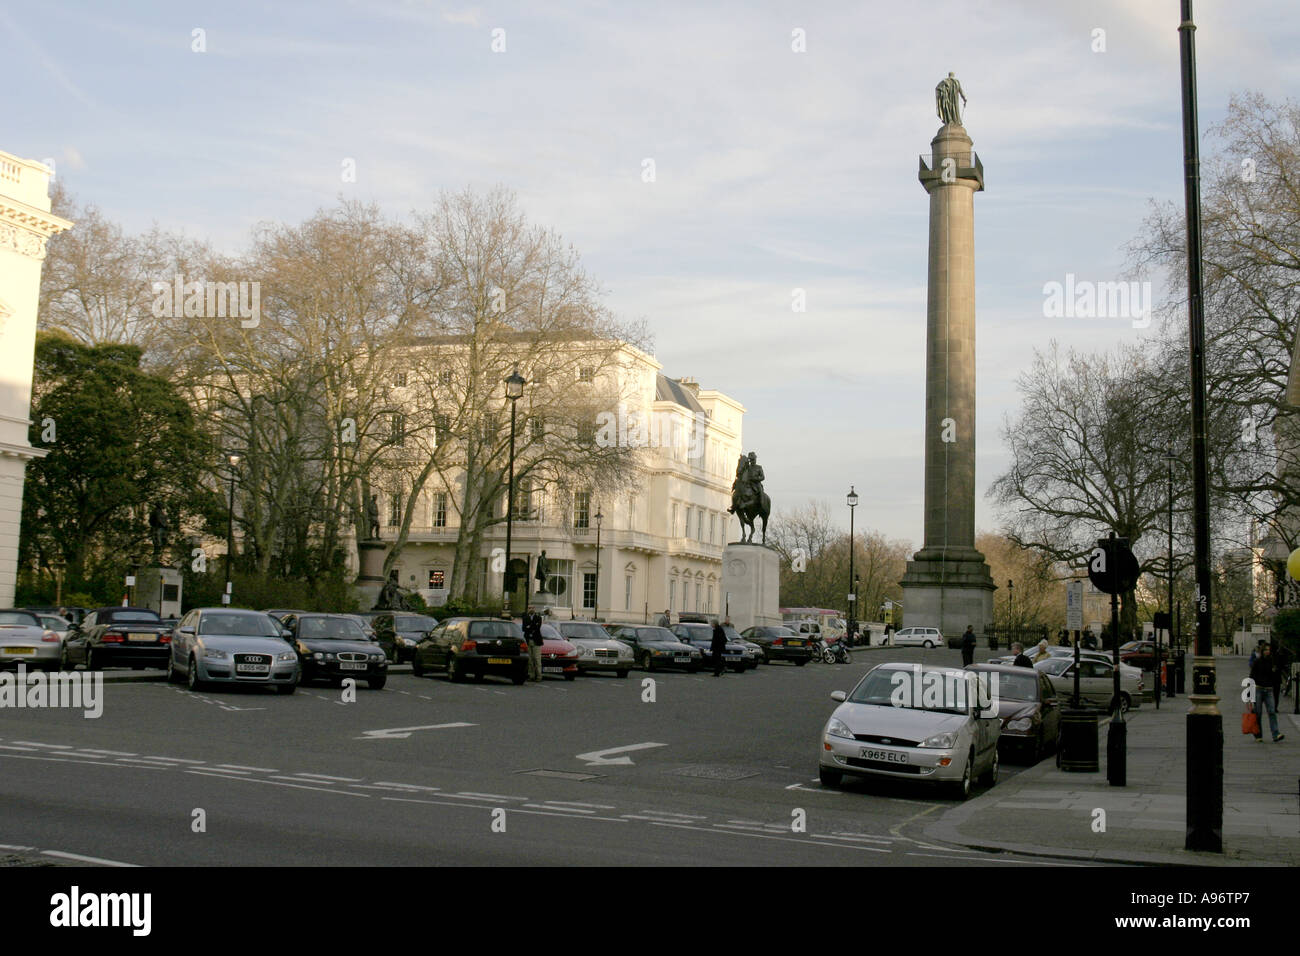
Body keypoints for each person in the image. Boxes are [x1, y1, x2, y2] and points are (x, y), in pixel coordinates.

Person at [1250, 642, 1285, 742]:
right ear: (1262, 651)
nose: (1267, 652)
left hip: (1269, 689)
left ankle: (1276, 734)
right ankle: (1258, 735)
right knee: (1258, 713)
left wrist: (1274, 671)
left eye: (1269, 650)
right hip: (1258, 689)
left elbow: (1275, 676)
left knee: (1272, 711)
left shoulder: (1272, 662)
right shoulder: (1257, 662)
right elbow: (1252, 676)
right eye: (1265, 650)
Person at [522, 604, 544, 682]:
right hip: (528, 640)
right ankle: (531, 675)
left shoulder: (538, 618)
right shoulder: (525, 618)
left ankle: (539, 676)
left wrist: (529, 627)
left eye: (532, 608)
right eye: (529, 608)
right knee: (530, 660)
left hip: (536, 641)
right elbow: (524, 628)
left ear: (534, 609)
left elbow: (537, 627)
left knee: (537, 659)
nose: (530, 609)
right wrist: (530, 627)